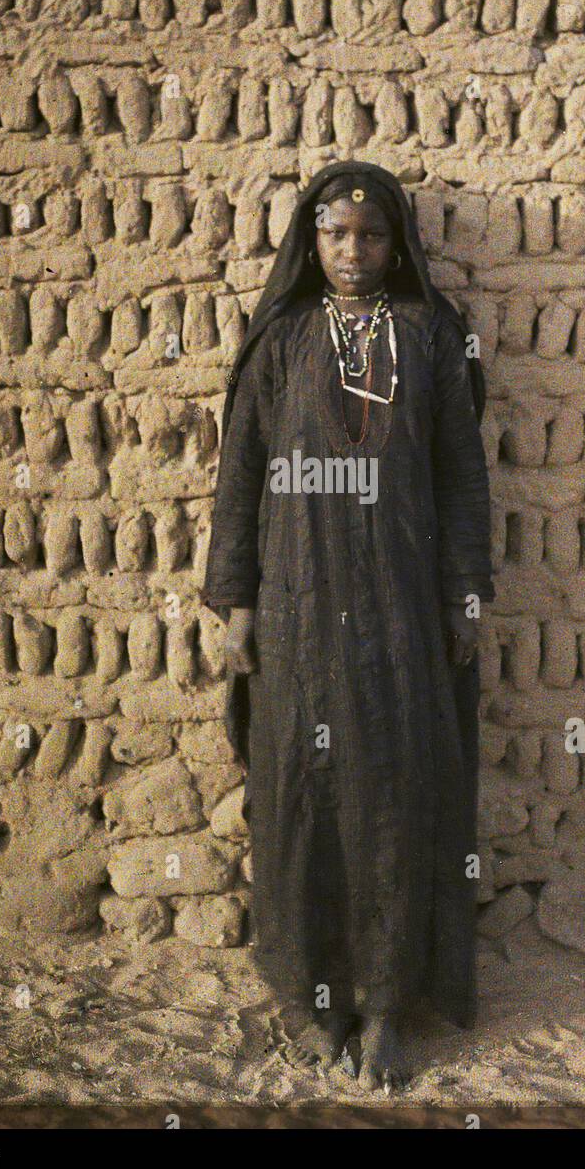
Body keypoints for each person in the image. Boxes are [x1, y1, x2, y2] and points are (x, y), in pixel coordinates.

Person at [202, 160, 494, 1091]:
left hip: (401, 612)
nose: (354, 252)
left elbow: (461, 477)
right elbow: (239, 476)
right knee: (299, 799)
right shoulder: (282, 340)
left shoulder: (431, 337)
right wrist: (237, 602)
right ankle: (311, 998)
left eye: (371, 236)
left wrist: (465, 594)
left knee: (398, 800)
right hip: (296, 613)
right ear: (311, 241)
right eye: (335, 235)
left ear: (396, 243)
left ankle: (384, 1009)